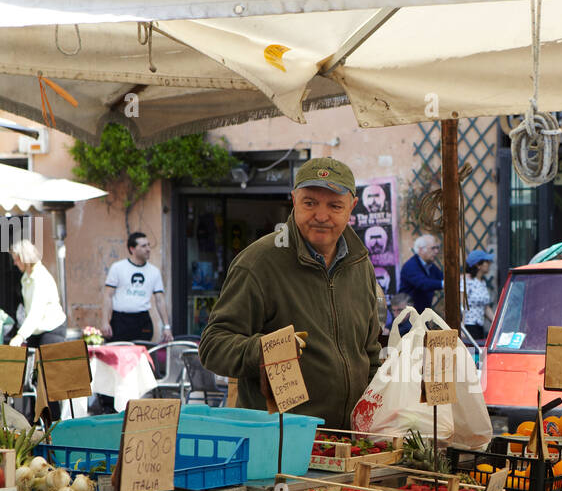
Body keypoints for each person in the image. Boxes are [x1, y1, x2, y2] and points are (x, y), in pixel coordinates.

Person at [199, 158, 382, 424]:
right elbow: (212, 346)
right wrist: (262, 350)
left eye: (334, 206)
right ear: (294, 200)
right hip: (281, 441)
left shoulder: (360, 264)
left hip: (348, 439)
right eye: (310, 203)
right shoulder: (259, 262)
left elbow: (370, 352)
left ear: (351, 207)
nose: (321, 216)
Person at [9, 239, 67, 421]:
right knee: (33, 379)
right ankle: (37, 421)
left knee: (48, 380)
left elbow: (36, 312)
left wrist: (20, 335)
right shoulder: (26, 277)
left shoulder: (40, 277)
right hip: (36, 332)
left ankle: (54, 424)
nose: (14, 263)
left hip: (51, 330)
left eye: (16, 258)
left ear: (24, 258)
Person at [102, 232, 172, 344]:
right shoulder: (118, 268)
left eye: (148, 245)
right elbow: (108, 296)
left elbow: (160, 300)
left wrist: (167, 327)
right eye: (143, 246)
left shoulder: (154, 271)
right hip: (120, 320)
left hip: (142, 319)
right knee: (119, 355)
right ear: (132, 249)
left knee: (142, 356)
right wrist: (105, 322)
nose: (148, 249)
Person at [400, 234, 443, 313]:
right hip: (408, 315)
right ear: (421, 250)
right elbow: (423, 283)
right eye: (433, 248)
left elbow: (442, 277)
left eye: (437, 248)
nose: (436, 251)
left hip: (422, 313)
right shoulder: (410, 266)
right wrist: (443, 284)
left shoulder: (430, 265)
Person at [462, 248, 495, 342]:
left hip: (479, 326)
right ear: (478, 264)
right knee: (470, 355)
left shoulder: (482, 282)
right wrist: (461, 328)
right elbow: (461, 305)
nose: (489, 263)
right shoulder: (466, 281)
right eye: (486, 261)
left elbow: (485, 307)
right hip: (468, 327)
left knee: (480, 355)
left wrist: (497, 324)